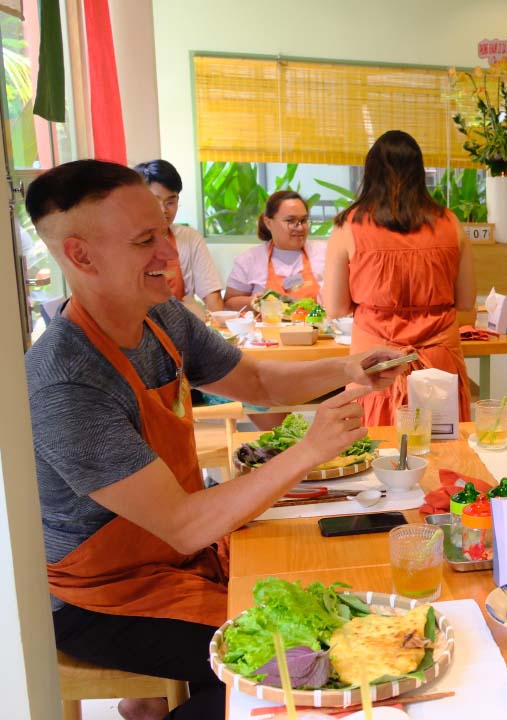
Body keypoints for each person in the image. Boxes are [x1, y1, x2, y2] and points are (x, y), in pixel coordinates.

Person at [24, 160, 410, 720]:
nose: (168, 252)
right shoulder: (66, 379)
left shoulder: (163, 319)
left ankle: (149, 706)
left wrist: (350, 368)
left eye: (163, 231)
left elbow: (254, 379)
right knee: (295, 666)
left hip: (177, 558)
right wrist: (307, 451)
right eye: (144, 241)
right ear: (80, 256)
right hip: (99, 596)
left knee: (325, 618)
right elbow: (183, 521)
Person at [323, 130, 476, 425]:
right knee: (441, 451)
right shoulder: (450, 223)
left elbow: (334, 307)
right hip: (438, 359)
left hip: (376, 363)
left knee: (376, 452)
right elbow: (467, 301)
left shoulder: (348, 226)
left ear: (370, 173)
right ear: (419, 172)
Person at [132, 159, 223, 313]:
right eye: (155, 200)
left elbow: (212, 295)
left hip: (181, 326)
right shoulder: (124, 242)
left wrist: (218, 329)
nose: (163, 210)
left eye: (170, 202)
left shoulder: (189, 238)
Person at [224, 190, 326, 311]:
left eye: (303, 220)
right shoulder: (249, 260)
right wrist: (255, 302)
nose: (300, 227)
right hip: (268, 327)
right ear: (268, 223)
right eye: (290, 221)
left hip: (314, 325)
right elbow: (229, 302)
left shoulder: (325, 253)